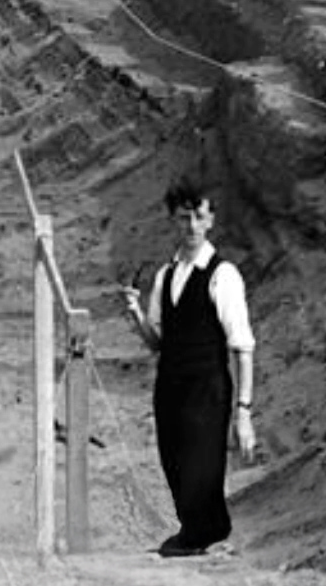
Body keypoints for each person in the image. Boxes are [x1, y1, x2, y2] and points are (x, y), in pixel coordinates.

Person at [120, 181, 256, 558]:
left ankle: (206, 536)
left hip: (208, 386)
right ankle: (191, 533)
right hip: (171, 385)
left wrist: (243, 412)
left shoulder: (222, 274)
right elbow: (156, 341)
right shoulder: (166, 275)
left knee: (203, 464)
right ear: (173, 221)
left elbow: (242, 347)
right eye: (184, 218)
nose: (191, 226)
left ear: (210, 220)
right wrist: (134, 313)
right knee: (174, 459)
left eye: (199, 217)